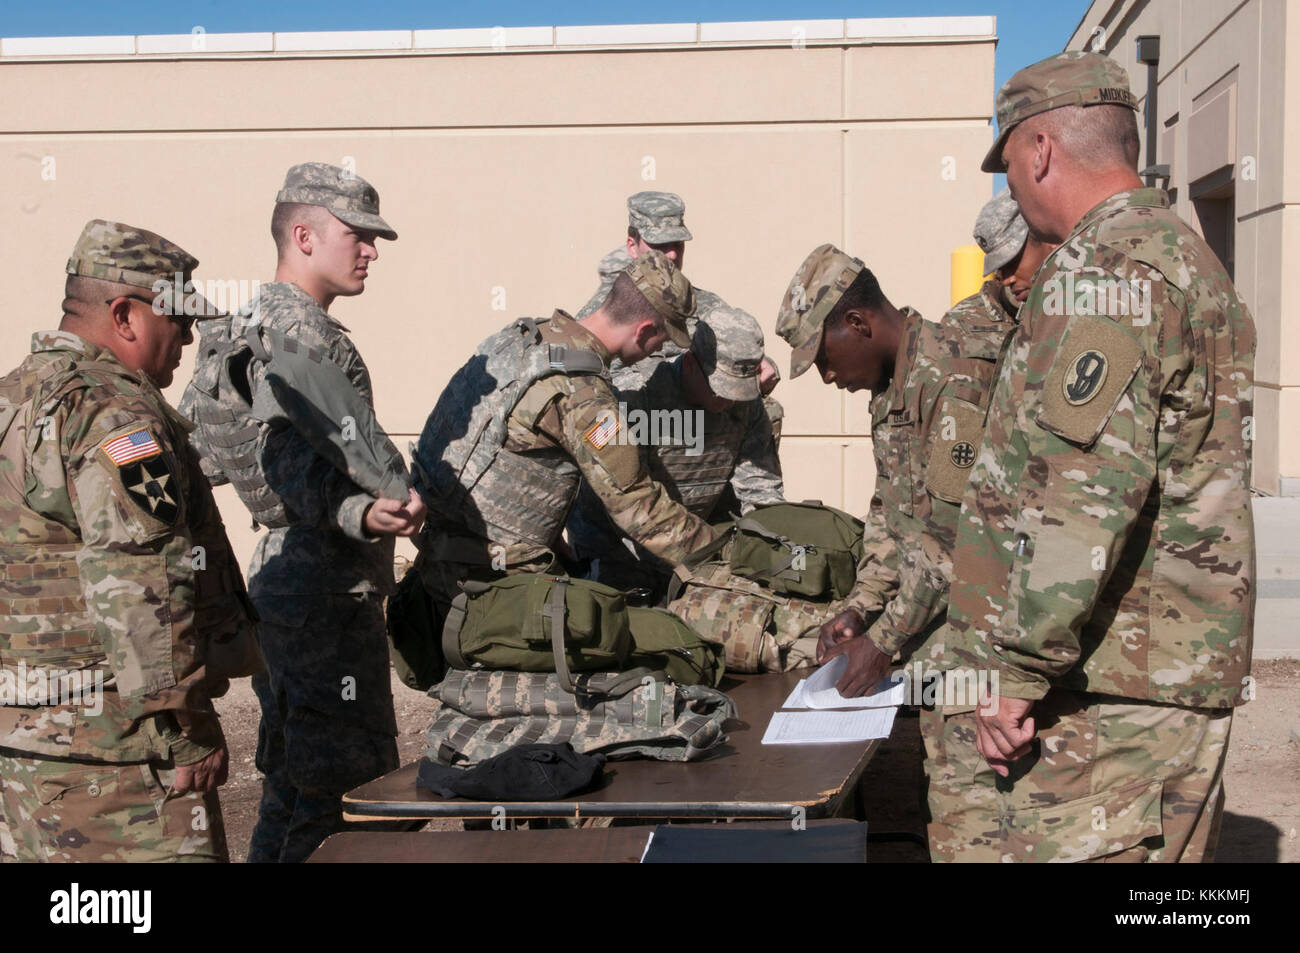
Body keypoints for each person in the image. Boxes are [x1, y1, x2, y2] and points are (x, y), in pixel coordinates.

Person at [937, 51, 1256, 863]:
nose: (1009, 185)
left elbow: (1081, 493)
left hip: (1113, 696)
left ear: (1040, 150)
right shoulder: (1186, 259)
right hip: (1167, 679)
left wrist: (1011, 671)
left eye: (1008, 163)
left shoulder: (1104, 272)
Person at [0, 219, 259, 861]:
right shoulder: (114, 415)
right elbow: (140, 576)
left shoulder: (12, 400)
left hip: (21, 754)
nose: (189, 339)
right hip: (121, 761)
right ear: (125, 315)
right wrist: (186, 725)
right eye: (179, 321)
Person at [218, 162, 425, 863]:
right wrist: (363, 512)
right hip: (323, 596)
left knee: (293, 793)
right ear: (302, 235)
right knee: (348, 803)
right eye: (357, 234)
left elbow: (209, 446)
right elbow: (283, 457)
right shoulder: (304, 334)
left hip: (284, 588)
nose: (371, 250)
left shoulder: (242, 325)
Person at [413, 250, 717, 625]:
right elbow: (637, 505)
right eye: (664, 339)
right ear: (645, 330)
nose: (659, 351)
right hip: (496, 594)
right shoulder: (584, 392)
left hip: (437, 561)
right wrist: (720, 555)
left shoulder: (523, 339)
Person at [776, 241, 1012, 704]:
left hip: (980, 647)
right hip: (932, 637)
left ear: (858, 324)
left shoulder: (953, 378)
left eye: (823, 357)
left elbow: (952, 540)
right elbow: (888, 512)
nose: (826, 375)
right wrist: (860, 608)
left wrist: (882, 641)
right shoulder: (891, 389)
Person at [567, 306, 784, 596]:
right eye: (722, 389)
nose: (731, 402)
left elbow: (761, 491)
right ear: (692, 364)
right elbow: (628, 504)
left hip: (693, 544)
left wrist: (768, 555)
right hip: (618, 548)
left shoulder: (746, 404)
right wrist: (712, 555)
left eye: (740, 391)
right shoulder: (630, 399)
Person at [575, 190, 784, 468]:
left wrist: (760, 367)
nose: (672, 254)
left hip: (703, 431)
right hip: (644, 431)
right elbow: (587, 396)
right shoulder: (605, 312)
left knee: (765, 411)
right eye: (659, 245)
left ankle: (746, 500)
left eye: (678, 244)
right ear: (632, 246)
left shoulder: (707, 305)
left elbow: (739, 355)